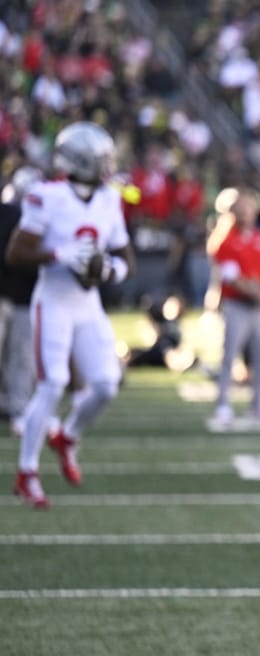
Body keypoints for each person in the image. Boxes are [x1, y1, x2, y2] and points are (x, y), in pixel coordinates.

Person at [5, 122, 134, 509]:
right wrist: (60, 254)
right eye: (101, 159)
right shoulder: (46, 197)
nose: (108, 166)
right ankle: (27, 471)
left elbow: (125, 258)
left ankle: (67, 436)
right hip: (54, 301)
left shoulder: (110, 200)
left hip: (87, 303)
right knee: (52, 384)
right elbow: (15, 253)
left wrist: (111, 270)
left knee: (107, 384)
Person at [211, 189, 260, 423]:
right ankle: (223, 403)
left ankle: (259, 402)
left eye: (248, 209)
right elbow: (233, 278)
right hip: (237, 304)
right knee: (230, 355)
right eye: (240, 210)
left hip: (258, 307)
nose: (244, 215)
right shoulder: (226, 241)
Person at [0, 167, 43, 436]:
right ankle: (16, 407)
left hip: (22, 297)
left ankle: (16, 407)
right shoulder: (11, 215)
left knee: (20, 357)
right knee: (20, 358)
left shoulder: (38, 217)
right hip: (17, 296)